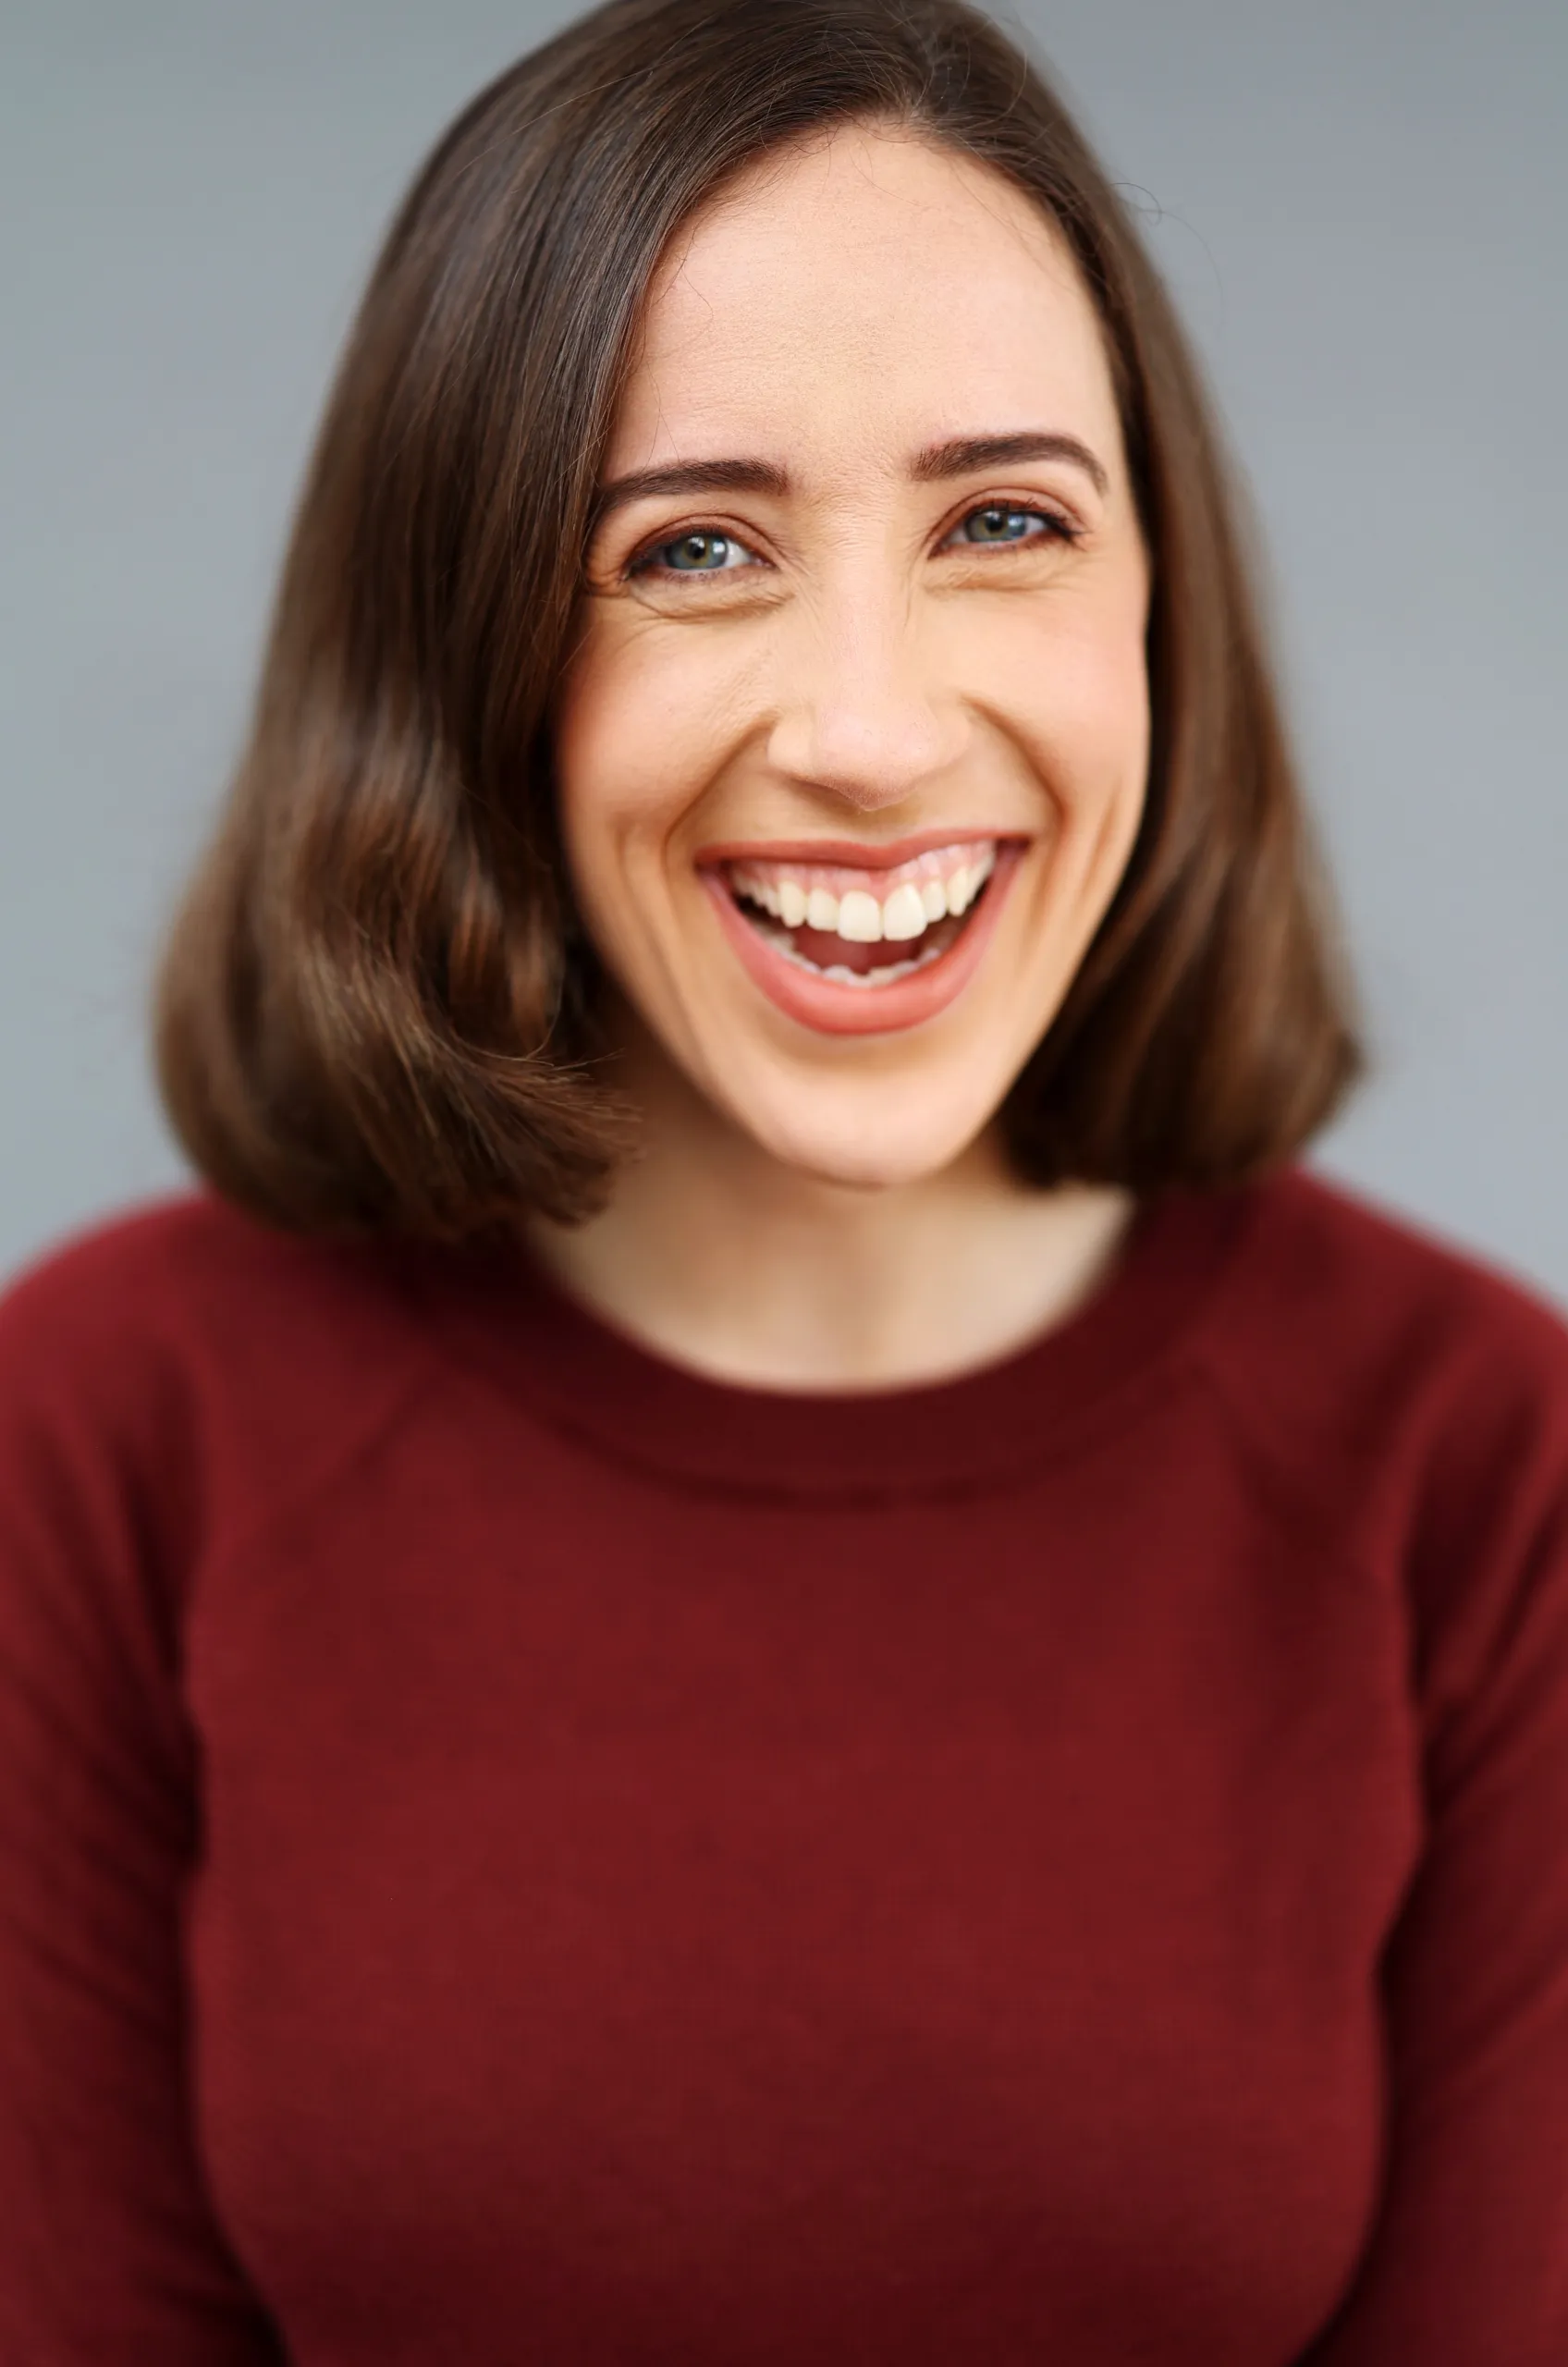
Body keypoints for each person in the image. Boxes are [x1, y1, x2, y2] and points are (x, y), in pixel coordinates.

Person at [2, 0, 1564, 2357]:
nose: (865, 728)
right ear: (465, 654)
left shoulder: (1481, 1459)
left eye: (1005, 522)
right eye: (694, 547)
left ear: (1160, 605)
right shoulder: (99, 1432)